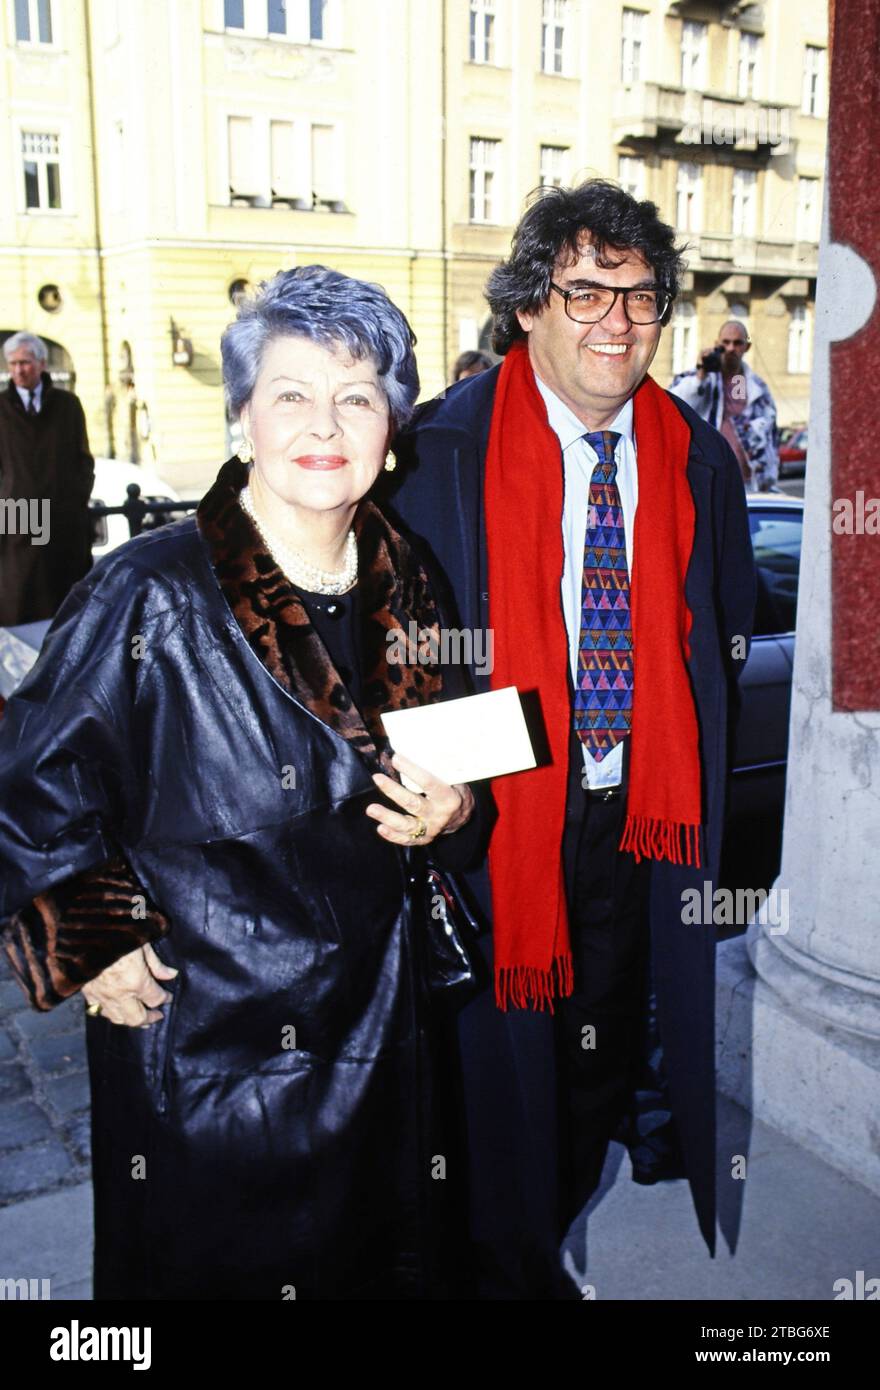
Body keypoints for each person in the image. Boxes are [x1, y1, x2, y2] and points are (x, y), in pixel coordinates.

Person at [0, 266, 489, 1300]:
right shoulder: (148, 587)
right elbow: (27, 776)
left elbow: (450, 753)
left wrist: (455, 805)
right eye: (291, 393)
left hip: (380, 1024)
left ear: (391, 429)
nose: (326, 423)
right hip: (214, 1040)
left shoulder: (413, 575)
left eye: (357, 396)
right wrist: (91, 933)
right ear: (241, 421)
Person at [386, 179, 757, 1297]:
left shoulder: (694, 458)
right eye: (585, 291)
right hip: (485, 830)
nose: (616, 321)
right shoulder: (433, 453)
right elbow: (386, 651)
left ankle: (534, 1243)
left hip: (626, 820)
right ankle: (500, 1265)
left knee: (593, 1064)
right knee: (487, 1088)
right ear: (528, 306)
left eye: (641, 298)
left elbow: (723, 630)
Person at [0, 332, 94, 626]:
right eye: (12, 364)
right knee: (21, 604)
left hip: (63, 518)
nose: (18, 370)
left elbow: (83, 459)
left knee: (67, 604)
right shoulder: (1, 408)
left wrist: (75, 499)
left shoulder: (67, 404)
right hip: (19, 516)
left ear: (41, 363)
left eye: (25, 362)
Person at [668, 320, 780, 490]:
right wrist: (701, 374)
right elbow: (672, 406)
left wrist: (768, 480)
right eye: (725, 343)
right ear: (717, 345)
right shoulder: (698, 378)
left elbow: (770, 438)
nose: (730, 349)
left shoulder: (755, 387)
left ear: (747, 347)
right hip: (706, 483)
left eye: (737, 343)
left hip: (746, 486)